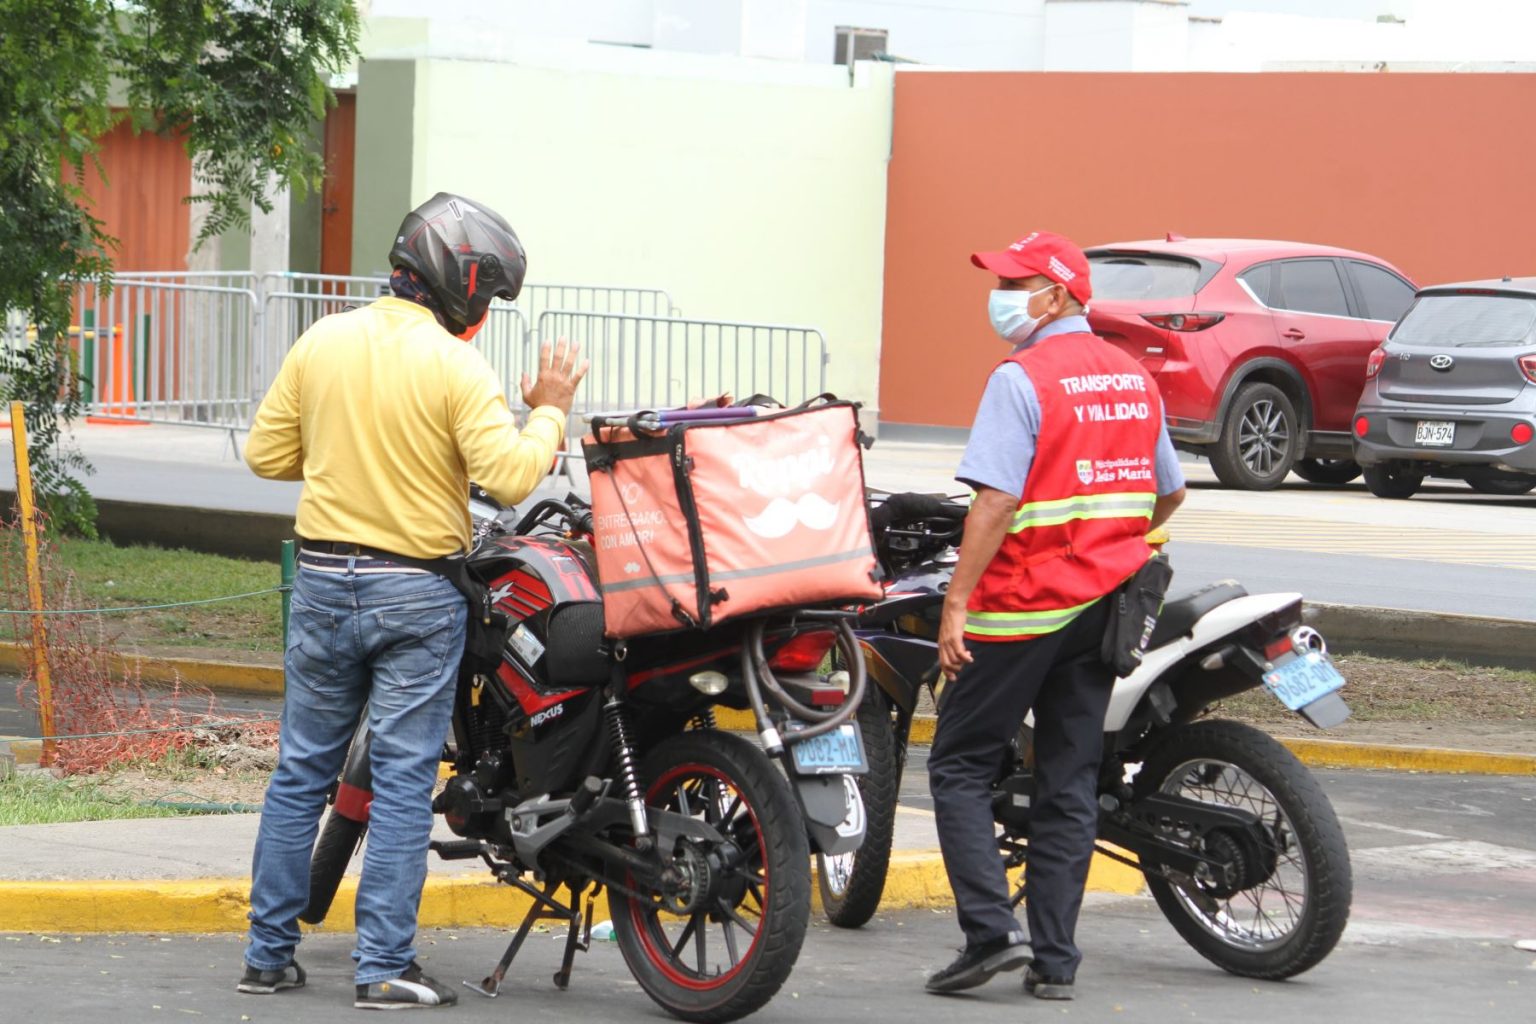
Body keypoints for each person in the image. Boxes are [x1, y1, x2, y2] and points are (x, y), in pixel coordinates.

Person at [238, 192, 588, 1010]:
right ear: (459, 279)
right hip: (415, 595)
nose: (485, 311)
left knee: (299, 776)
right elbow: (507, 476)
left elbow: (265, 453)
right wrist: (549, 411)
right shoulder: (455, 364)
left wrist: (346, 461)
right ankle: (381, 967)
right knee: (399, 784)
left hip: (323, 582)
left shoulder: (323, 341)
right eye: (486, 292)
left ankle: (266, 955)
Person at [924, 230, 1186, 1000]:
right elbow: (1168, 492)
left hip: (1021, 608)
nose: (1002, 298)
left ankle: (989, 934)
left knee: (960, 764)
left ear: (1060, 295)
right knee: (1068, 780)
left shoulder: (1022, 377)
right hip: (1104, 604)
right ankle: (1055, 964)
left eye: (1016, 283)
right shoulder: (1134, 376)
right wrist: (1110, 538)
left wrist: (957, 601)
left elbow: (996, 500)